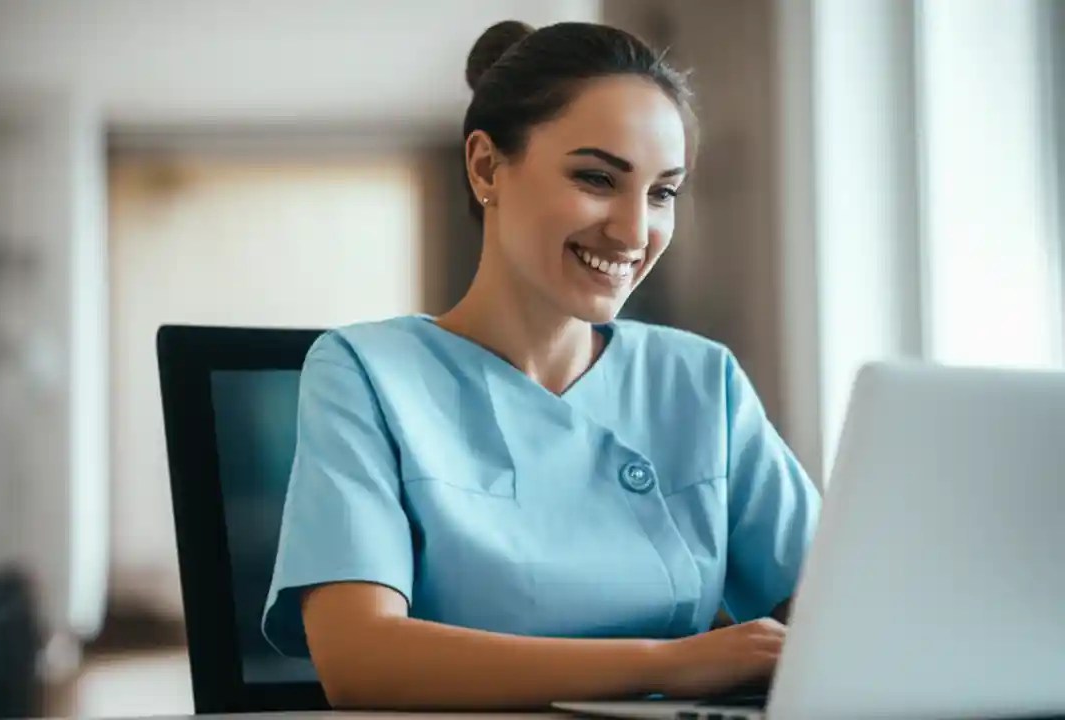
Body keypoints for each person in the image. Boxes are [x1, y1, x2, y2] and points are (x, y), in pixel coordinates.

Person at [261, 19, 821, 710]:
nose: (634, 231)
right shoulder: (366, 372)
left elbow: (843, 608)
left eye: (662, 193)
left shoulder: (702, 381)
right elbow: (360, 657)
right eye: (596, 178)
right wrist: (672, 663)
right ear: (486, 167)